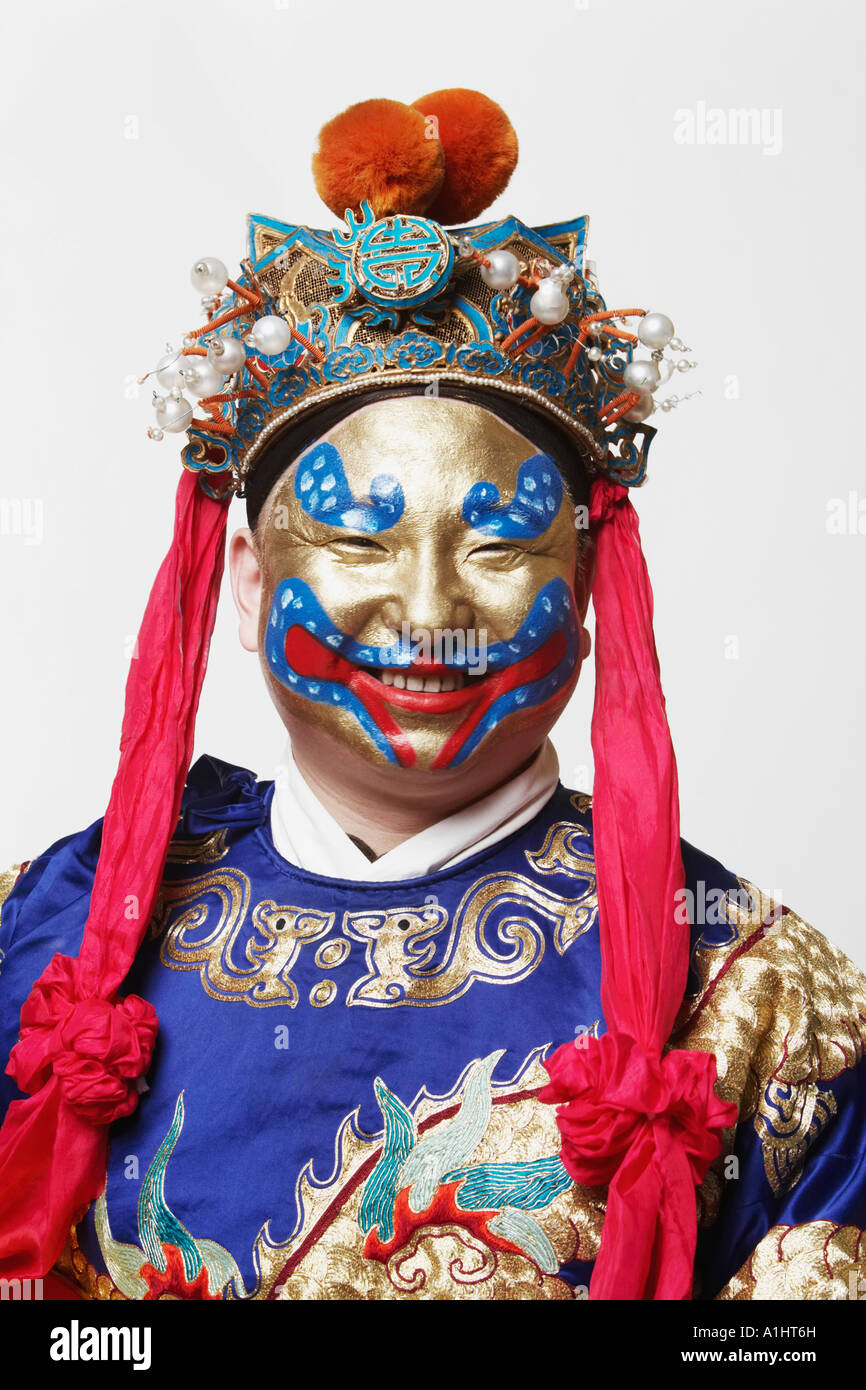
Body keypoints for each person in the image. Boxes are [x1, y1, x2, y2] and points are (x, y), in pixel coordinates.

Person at [1, 90, 864, 1303]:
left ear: (589, 573)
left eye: (499, 547)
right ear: (249, 581)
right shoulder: (42, 931)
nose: (426, 608)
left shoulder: (761, 993)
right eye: (357, 541)